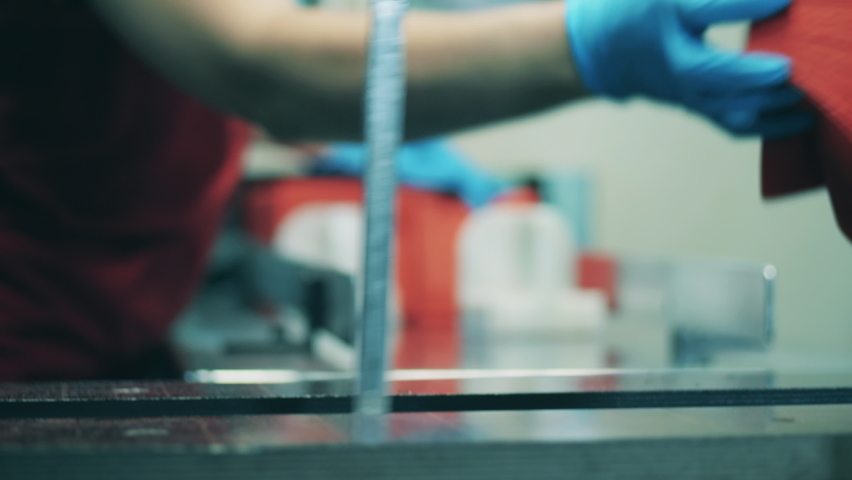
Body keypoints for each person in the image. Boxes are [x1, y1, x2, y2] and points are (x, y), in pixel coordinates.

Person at [0, 0, 811, 381]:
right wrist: (587, 49)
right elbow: (252, 60)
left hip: (113, 336)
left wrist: (316, 145)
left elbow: (149, 69)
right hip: (28, 363)